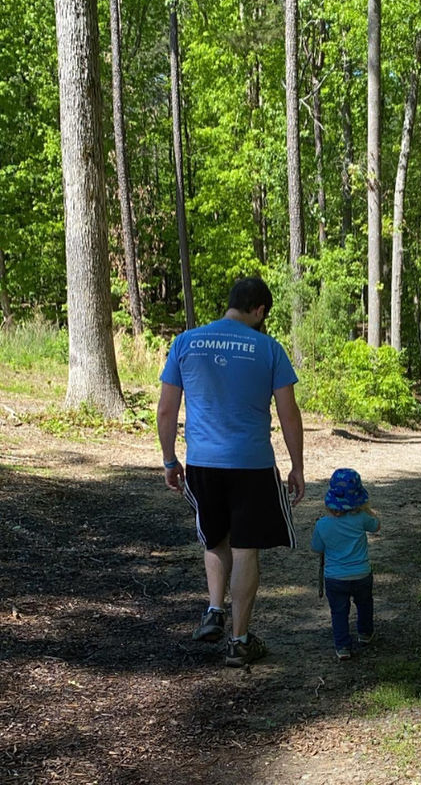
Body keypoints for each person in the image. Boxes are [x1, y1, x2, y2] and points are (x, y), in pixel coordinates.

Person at [157, 276, 304, 668]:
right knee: (245, 550)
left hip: (203, 462)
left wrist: (170, 460)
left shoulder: (186, 342)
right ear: (259, 311)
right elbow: (289, 414)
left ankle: (213, 610)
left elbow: (167, 409)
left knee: (214, 539)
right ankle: (239, 642)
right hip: (252, 465)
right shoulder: (269, 348)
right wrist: (298, 466)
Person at [311, 468, 380, 660]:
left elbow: (316, 548)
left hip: (334, 577)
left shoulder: (322, 524)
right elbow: (376, 526)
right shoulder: (361, 518)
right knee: (365, 604)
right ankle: (365, 633)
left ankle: (342, 647)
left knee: (339, 611)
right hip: (362, 574)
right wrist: (367, 510)